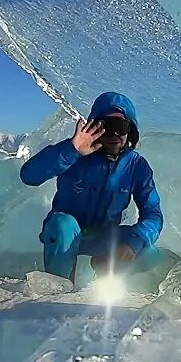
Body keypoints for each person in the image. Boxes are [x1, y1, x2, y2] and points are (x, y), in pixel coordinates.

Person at [20, 92, 163, 283]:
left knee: (150, 254)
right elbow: (28, 176)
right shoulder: (74, 154)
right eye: (106, 126)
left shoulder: (136, 166)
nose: (114, 135)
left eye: (120, 126)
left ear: (130, 130)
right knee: (61, 224)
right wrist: (72, 150)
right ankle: (60, 289)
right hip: (67, 234)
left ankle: (104, 265)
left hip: (105, 237)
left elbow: (153, 214)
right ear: (94, 127)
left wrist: (134, 243)